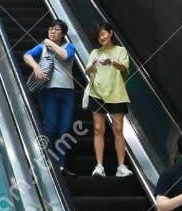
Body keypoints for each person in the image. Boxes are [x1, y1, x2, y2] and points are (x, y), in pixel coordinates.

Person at [23, 20, 77, 169]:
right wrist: (35, 67)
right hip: (49, 91)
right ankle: (47, 158)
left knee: (64, 127)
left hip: (68, 91)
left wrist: (49, 42)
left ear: (63, 34)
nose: (52, 32)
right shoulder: (42, 47)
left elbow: (65, 55)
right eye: (50, 29)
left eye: (57, 30)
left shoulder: (69, 46)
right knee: (50, 125)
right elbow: (27, 55)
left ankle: (61, 163)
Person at [85, 22, 131, 177]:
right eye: (99, 36)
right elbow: (87, 70)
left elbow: (124, 67)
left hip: (116, 94)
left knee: (118, 130)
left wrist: (111, 61)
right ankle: (99, 166)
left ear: (111, 33)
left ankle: (121, 166)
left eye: (103, 34)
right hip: (97, 93)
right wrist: (92, 65)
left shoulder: (120, 50)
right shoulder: (95, 52)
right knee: (98, 129)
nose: (101, 38)